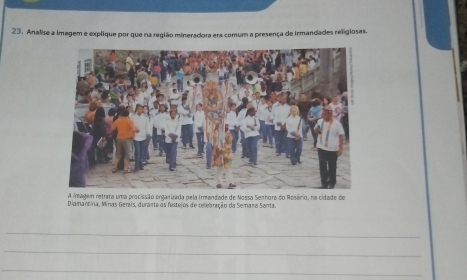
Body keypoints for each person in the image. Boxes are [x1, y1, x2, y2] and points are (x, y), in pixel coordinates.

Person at [314, 108, 345, 189]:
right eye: (322, 114)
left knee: (332, 166)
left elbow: (340, 136)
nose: (323, 116)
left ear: (330, 114)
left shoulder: (336, 123)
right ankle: (324, 183)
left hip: (332, 149)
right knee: (322, 165)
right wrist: (317, 130)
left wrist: (340, 148)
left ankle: (332, 183)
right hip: (321, 147)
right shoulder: (320, 121)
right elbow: (315, 130)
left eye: (325, 114)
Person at [213, 124, 236, 189]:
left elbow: (229, 144)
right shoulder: (217, 134)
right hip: (218, 154)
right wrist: (215, 129)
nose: (226, 127)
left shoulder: (229, 135)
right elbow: (212, 138)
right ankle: (219, 182)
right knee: (218, 169)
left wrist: (222, 149)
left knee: (228, 168)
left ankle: (230, 182)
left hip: (226, 154)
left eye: (227, 126)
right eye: (225, 126)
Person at [131, 104, 152, 172]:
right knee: (137, 150)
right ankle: (136, 166)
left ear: (142, 110)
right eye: (138, 109)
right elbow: (131, 125)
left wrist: (148, 134)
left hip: (143, 136)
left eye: (141, 109)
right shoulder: (133, 117)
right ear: (136, 110)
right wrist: (135, 129)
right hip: (136, 136)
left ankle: (140, 164)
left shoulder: (145, 117)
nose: (139, 110)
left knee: (142, 151)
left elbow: (147, 126)